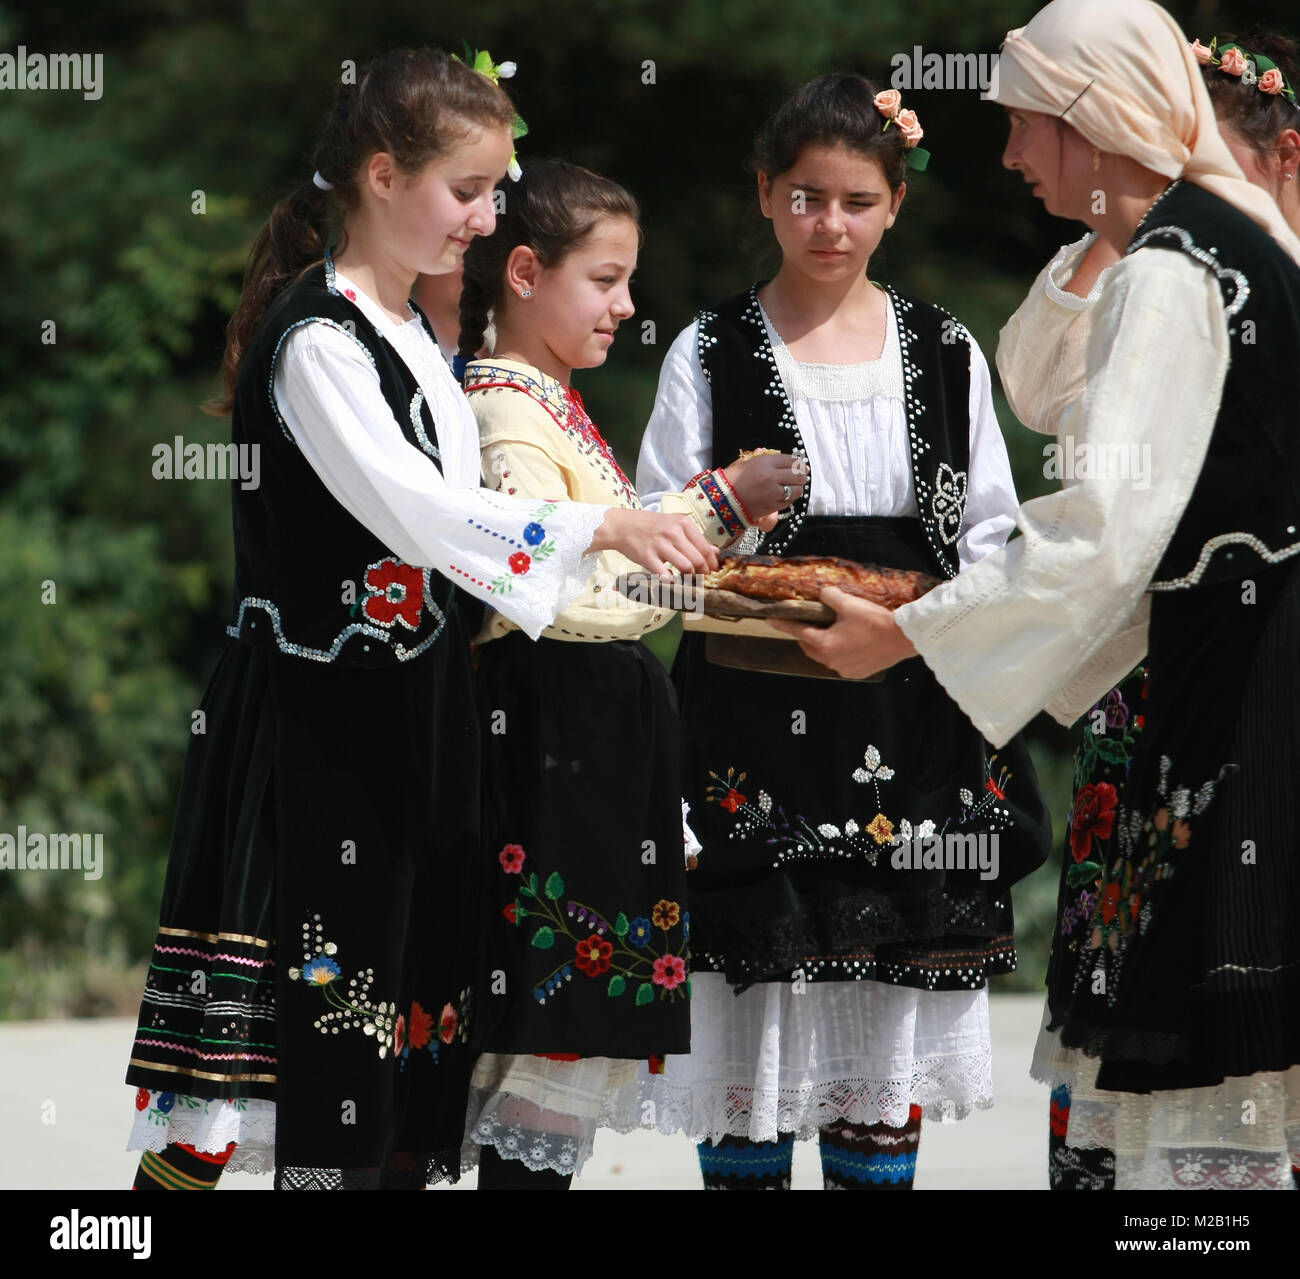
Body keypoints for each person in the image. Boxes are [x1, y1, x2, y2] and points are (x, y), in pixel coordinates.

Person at [124, 48, 718, 1190]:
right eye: (467, 191)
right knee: (281, 1056)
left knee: (396, 1046)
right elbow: (422, 511)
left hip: (410, 718)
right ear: (383, 176)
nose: (486, 219)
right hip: (317, 726)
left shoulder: (415, 345)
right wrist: (598, 531)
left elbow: (475, 546)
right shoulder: (318, 342)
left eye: (496, 192)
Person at [778, 0, 1300, 1191]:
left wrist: (911, 635)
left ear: (1090, 120)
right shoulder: (1240, 240)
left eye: (1023, 125)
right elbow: (1142, 510)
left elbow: (1108, 531)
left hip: (1243, 689)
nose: (1010, 156)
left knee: (1210, 1087)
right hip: (1252, 657)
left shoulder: (1175, 269)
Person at [635, 72, 1053, 1190]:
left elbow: (996, 543)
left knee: (879, 1054)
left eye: (857, 200)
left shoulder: (944, 348)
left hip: (906, 726)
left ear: (895, 206)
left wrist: (908, 633)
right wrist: (725, 518)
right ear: (767, 197)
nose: (831, 223)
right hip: (745, 730)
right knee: (753, 1041)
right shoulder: (707, 350)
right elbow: (655, 550)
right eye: (807, 197)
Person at [454, 157, 793, 1189]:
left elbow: (607, 564)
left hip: (588, 744)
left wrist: (722, 526)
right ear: (523, 270)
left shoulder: (545, 401)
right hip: (556, 745)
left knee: (565, 1035)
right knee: (551, 1029)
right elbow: (552, 597)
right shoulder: (503, 413)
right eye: (604, 279)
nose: (627, 304)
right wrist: (719, 523)